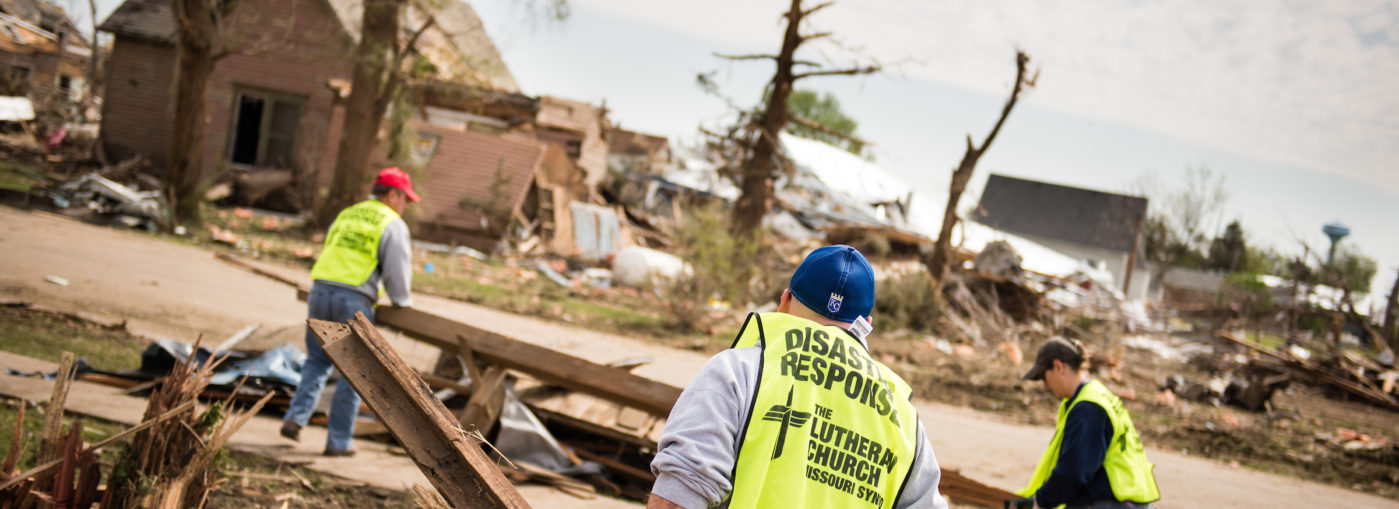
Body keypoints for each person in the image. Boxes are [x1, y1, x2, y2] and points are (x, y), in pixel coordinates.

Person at [649, 245, 948, 509]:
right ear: (866, 325)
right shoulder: (903, 416)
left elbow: (675, 498)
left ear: (785, 300)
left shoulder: (739, 372)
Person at [280, 167, 418, 456]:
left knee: (317, 359)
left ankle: (295, 418)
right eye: (405, 199)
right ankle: (338, 442)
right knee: (355, 372)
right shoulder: (391, 223)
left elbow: (331, 247)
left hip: (320, 291)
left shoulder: (349, 213)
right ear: (392, 195)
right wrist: (402, 302)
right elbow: (397, 271)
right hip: (354, 299)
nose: (405, 206)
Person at [1009, 338, 1160, 509]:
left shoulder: (1088, 408)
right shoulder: (1096, 395)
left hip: (1112, 503)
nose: (1045, 385)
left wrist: (1040, 502)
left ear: (1058, 367)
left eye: (1044, 377)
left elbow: (1073, 472)